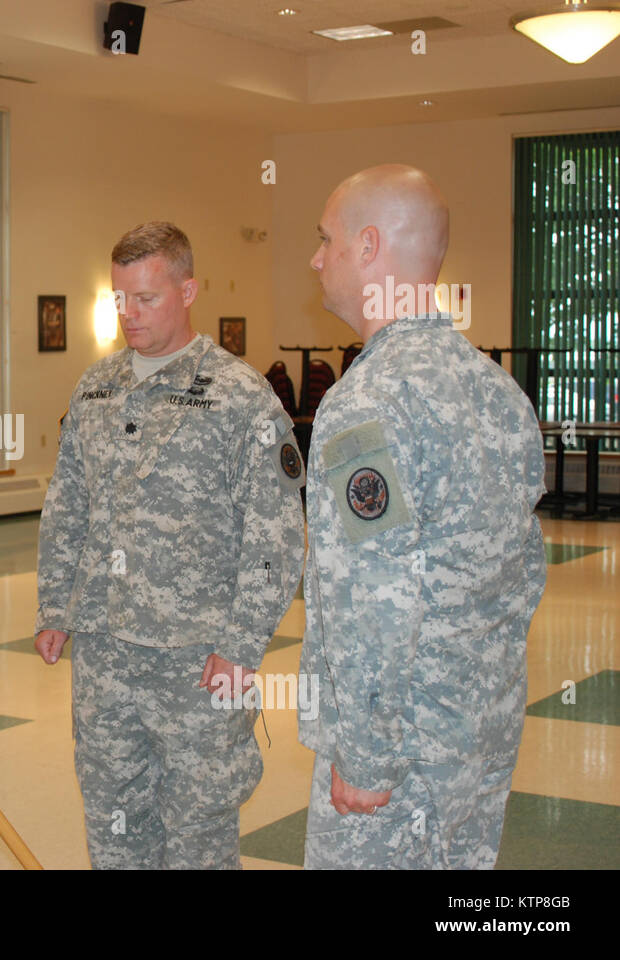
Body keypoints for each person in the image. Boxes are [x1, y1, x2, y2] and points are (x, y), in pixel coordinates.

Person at [35, 221, 307, 869]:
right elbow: (68, 505)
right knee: (115, 824)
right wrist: (54, 607)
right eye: (119, 299)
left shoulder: (239, 396)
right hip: (106, 657)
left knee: (197, 837)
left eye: (146, 298)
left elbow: (278, 530)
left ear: (188, 291)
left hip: (199, 661)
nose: (130, 314)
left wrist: (242, 647)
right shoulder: (97, 389)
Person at [299, 164, 546, 869]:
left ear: (369, 246)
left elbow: (372, 600)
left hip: (400, 754)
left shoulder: (365, 402)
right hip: (479, 736)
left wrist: (367, 754)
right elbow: (524, 573)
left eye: (326, 239)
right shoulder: (500, 393)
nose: (317, 258)